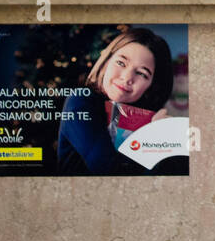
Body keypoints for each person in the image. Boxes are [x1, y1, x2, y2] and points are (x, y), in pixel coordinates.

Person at [56, 27, 175, 176]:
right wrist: (153, 138)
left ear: (151, 86)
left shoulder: (146, 117)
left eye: (141, 73)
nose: (127, 78)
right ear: (106, 62)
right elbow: (108, 170)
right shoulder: (80, 101)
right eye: (121, 63)